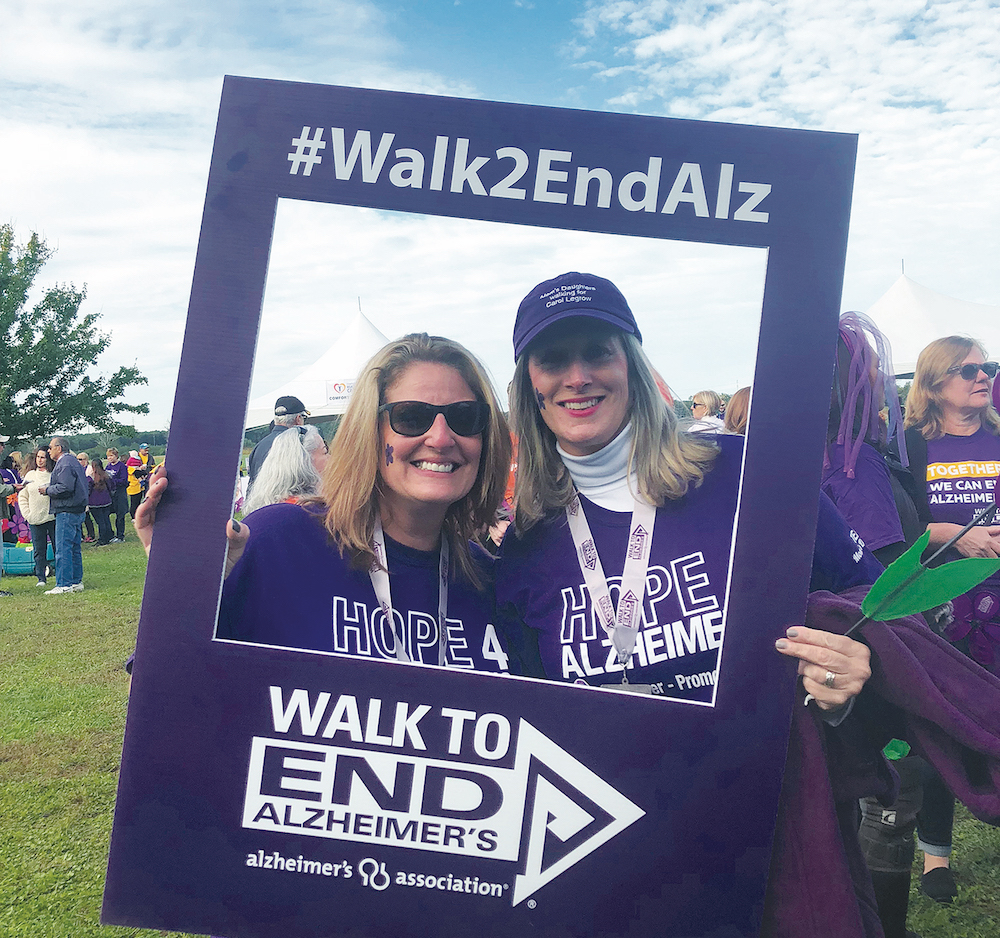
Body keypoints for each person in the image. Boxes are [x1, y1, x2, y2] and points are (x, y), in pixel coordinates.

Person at [495, 272, 1000, 937]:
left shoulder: (750, 473)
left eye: (598, 352)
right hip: (619, 846)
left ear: (635, 367)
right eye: (553, 359)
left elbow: (876, 609)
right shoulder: (526, 546)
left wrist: (851, 670)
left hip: (778, 827)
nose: (577, 375)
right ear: (527, 383)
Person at [212, 334, 513, 671]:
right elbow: (172, 685)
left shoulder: (488, 580)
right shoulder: (279, 544)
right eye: (412, 417)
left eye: (464, 417)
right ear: (369, 432)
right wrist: (181, 591)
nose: (441, 438)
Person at [898, 336, 1000, 903]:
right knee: (940, 723)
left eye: (986, 367)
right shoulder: (912, 446)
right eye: (966, 370)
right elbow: (895, 525)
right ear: (934, 385)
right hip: (939, 605)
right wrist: (950, 535)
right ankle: (935, 853)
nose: (981, 376)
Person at [241, 424, 328, 515]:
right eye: (325, 452)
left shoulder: (268, 507)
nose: (331, 458)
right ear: (305, 461)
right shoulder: (309, 511)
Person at [39, 436, 89, 594]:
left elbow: (65, 487)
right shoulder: (73, 461)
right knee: (74, 547)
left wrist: (47, 490)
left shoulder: (65, 463)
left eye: (51, 447)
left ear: (59, 448)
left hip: (66, 510)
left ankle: (63, 584)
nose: (48, 450)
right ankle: (76, 581)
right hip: (76, 509)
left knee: (63, 548)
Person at [247, 395, 310, 483]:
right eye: (304, 418)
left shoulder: (259, 447)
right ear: (298, 419)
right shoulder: (298, 445)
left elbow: (251, 483)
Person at [18, 447, 57, 586]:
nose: (40, 460)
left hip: (52, 517)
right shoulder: (30, 476)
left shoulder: (54, 475)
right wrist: (27, 514)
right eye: (38, 457)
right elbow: (22, 496)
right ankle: (41, 577)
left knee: (57, 547)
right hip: (35, 518)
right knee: (39, 550)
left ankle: (61, 574)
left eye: (43, 457)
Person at [88, 457, 115, 545]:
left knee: (100, 522)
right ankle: (108, 536)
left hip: (94, 503)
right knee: (106, 519)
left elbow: (87, 489)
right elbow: (112, 487)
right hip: (106, 501)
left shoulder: (91, 478)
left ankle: (102, 539)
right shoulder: (106, 475)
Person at [105, 448, 129, 542]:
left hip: (120, 493)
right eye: (108, 456)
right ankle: (110, 534)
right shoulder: (108, 466)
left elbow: (123, 480)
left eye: (111, 456)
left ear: (116, 456)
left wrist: (112, 481)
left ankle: (120, 536)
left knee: (120, 515)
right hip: (111, 493)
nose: (109, 458)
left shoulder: (121, 466)